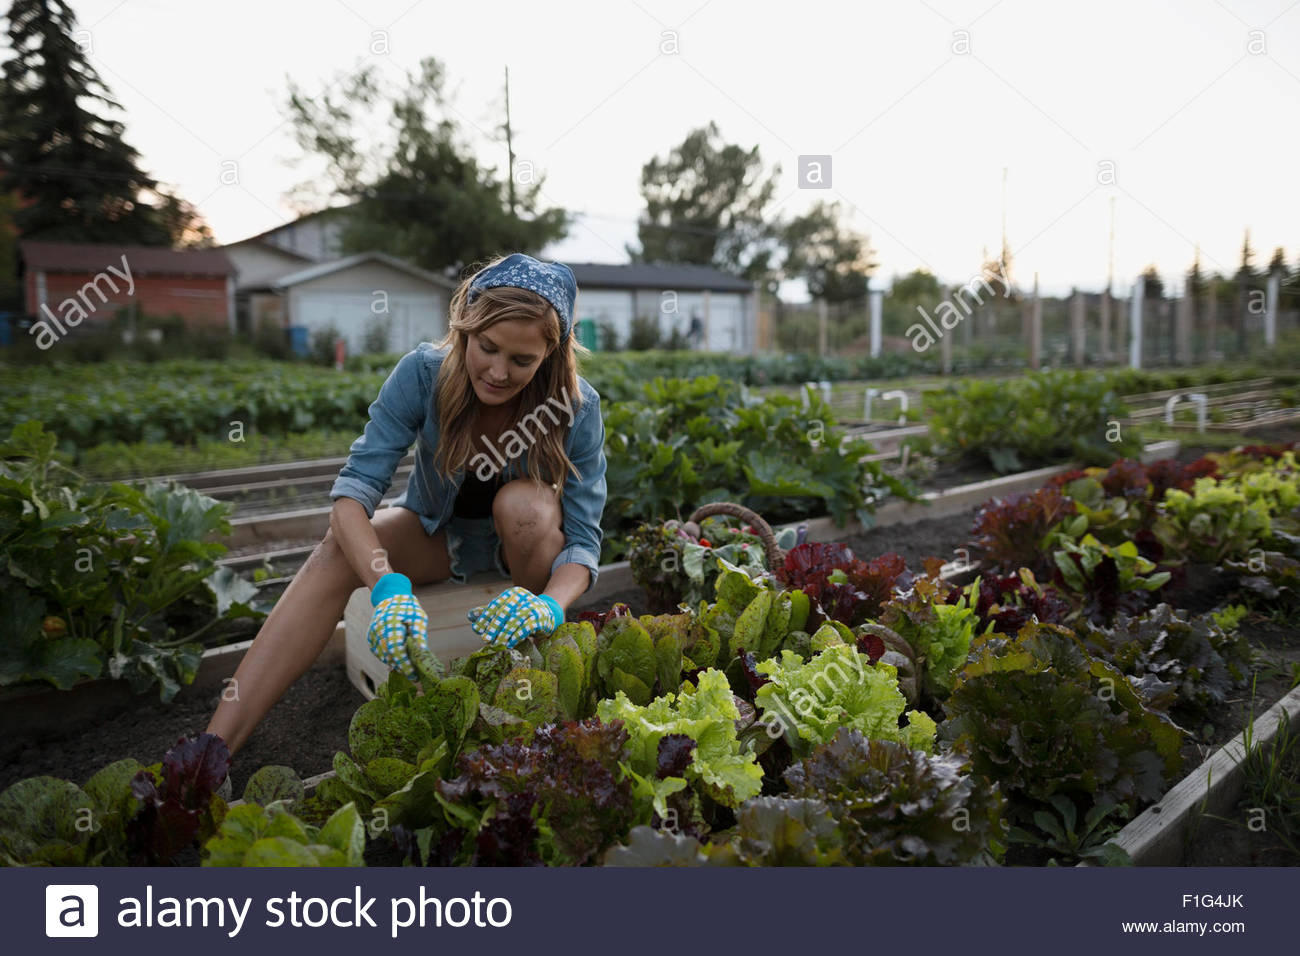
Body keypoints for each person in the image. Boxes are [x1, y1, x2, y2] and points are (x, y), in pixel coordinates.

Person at [204, 253, 607, 761]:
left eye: (522, 361)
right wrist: (387, 585)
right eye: (488, 348)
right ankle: (213, 746)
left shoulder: (577, 406)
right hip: (440, 540)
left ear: (550, 354)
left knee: (524, 505)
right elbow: (353, 495)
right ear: (466, 328)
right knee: (336, 550)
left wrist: (550, 603)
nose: (498, 372)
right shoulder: (422, 374)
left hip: (525, 556)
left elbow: (585, 541)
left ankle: (521, 672)